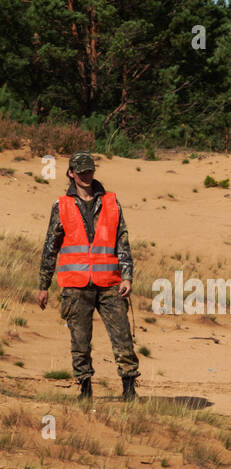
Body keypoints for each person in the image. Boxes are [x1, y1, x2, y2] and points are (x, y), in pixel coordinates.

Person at [37, 151, 139, 401]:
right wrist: (43, 285)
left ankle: (129, 389)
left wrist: (127, 276)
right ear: (71, 173)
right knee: (80, 342)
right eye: (81, 171)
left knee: (123, 338)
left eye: (89, 170)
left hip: (110, 283)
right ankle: (85, 388)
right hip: (75, 285)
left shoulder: (112, 202)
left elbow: (121, 240)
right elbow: (50, 246)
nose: (86, 175)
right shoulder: (61, 205)